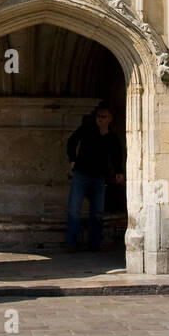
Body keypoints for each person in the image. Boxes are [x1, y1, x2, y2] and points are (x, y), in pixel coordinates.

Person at [65, 105, 124, 253]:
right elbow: (72, 141)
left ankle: (95, 244)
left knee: (97, 212)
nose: (100, 119)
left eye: (104, 116)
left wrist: (119, 172)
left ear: (110, 119)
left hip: (99, 178)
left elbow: (117, 155)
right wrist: (72, 159)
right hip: (81, 174)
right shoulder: (87, 129)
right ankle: (71, 243)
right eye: (99, 116)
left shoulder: (112, 137)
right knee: (74, 209)